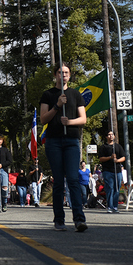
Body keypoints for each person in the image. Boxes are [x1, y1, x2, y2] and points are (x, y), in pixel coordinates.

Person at [39, 64, 87, 232]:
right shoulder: (48, 95)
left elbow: (83, 119)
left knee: (73, 179)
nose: (63, 75)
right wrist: (57, 106)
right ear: (55, 75)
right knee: (59, 181)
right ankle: (59, 219)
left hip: (71, 141)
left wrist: (70, 122)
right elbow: (43, 119)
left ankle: (79, 219)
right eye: (60, 72)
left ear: (69, 75)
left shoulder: (75, 94)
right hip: (54, 142)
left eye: (66, 73)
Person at [100, 130, 125, 214]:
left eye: (112, 134)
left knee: (117, 189)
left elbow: (123, 157)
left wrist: (117, 160)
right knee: (110, 188)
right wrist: (110, 158)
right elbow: (101, 158)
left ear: (114, 136)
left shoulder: (118, 147)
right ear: (106, 137)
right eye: (109, 134)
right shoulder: (103, 147)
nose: (110, 136)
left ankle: (115, 206)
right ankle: (110, 206)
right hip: (107, 171)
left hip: (117, 171)